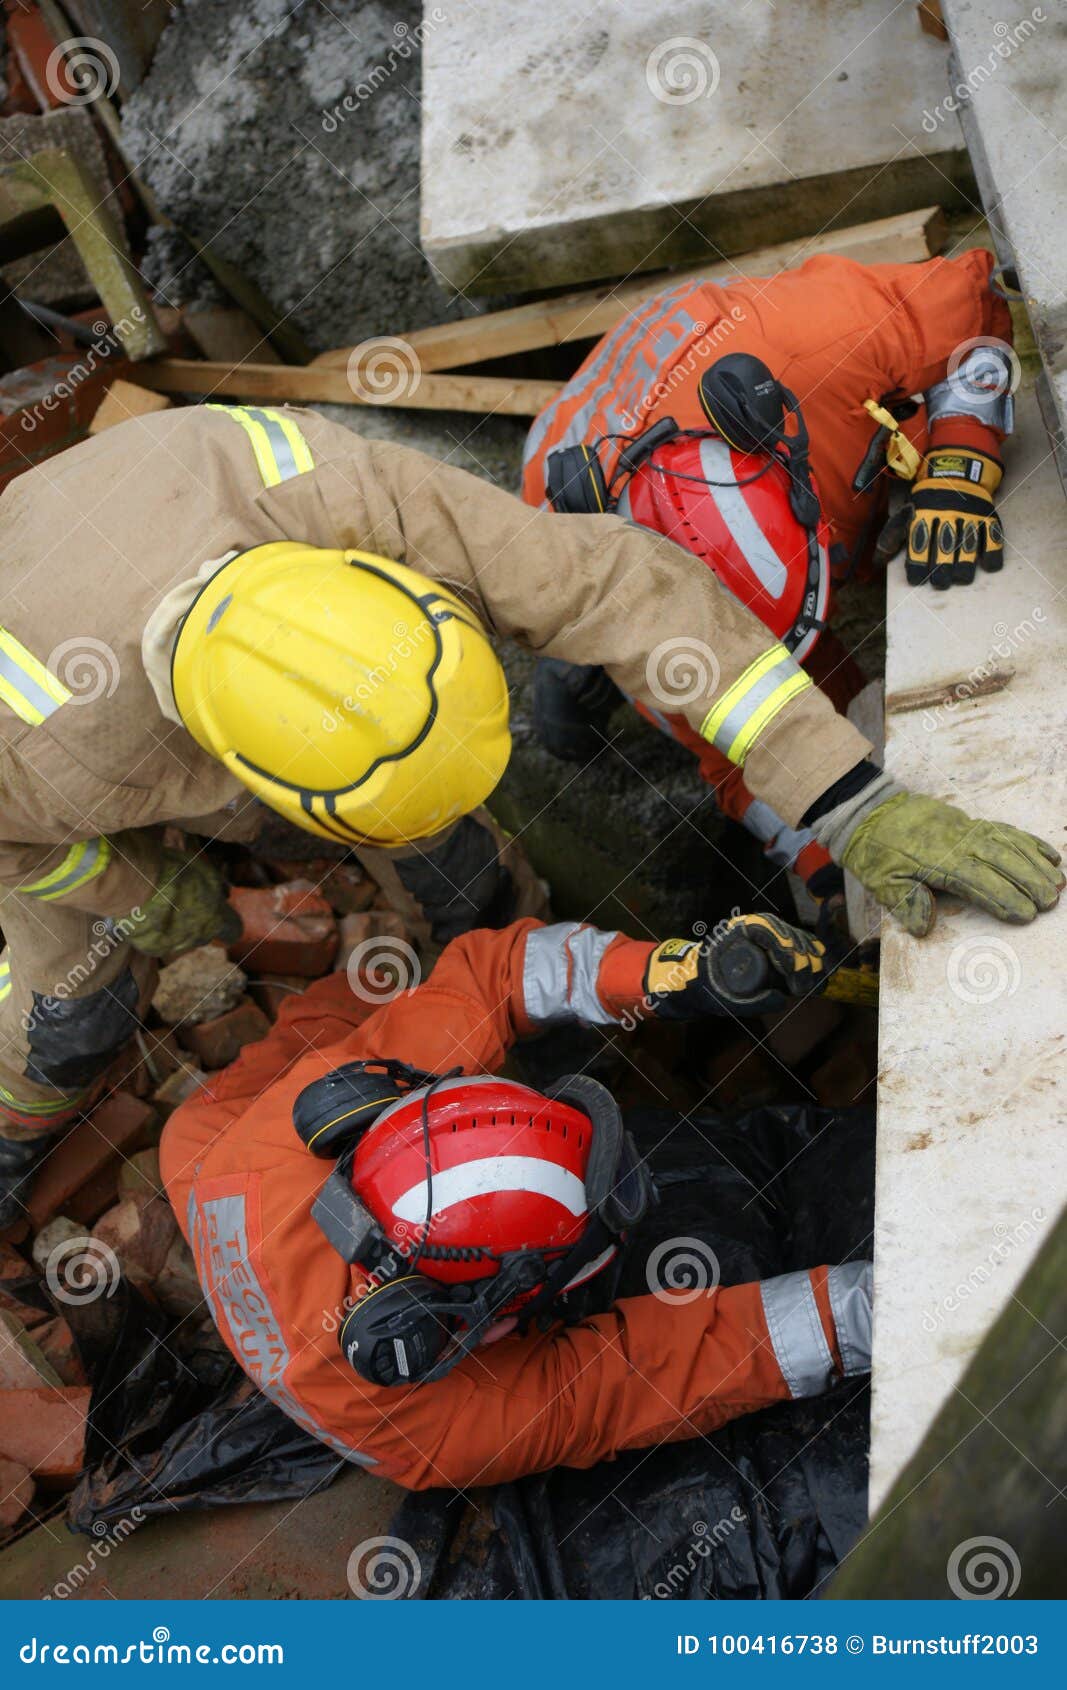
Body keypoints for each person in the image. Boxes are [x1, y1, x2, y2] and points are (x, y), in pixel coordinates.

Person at [0, 389, 1058, 1220]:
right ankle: (15, 1130)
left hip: (211, 632)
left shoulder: (333, 494)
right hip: (45, 795)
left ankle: (512, 1020)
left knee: (462, 878)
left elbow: (621, 590)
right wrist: (128, 886)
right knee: (77, 1012)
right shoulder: (29, 747)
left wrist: (848, 801)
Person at [161, 910, 871, 1490]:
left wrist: (672, 974)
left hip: (213, 1145)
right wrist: (874, 1311)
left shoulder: (302, 1124)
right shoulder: (435, 1430)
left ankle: (362, 973)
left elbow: (495, 972)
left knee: (330, 1024)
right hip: (232, 1182)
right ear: (475, 1322)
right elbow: (672, 1367)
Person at [522, 248, 1027, 901]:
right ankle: (567, 675)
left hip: (725, 360)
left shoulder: (813, 342)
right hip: (566, 481)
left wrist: (956, 468)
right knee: (603, 690)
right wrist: (821, 857)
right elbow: (728, 756)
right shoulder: (630, 617)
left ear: (791, 473)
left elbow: (969, 294)